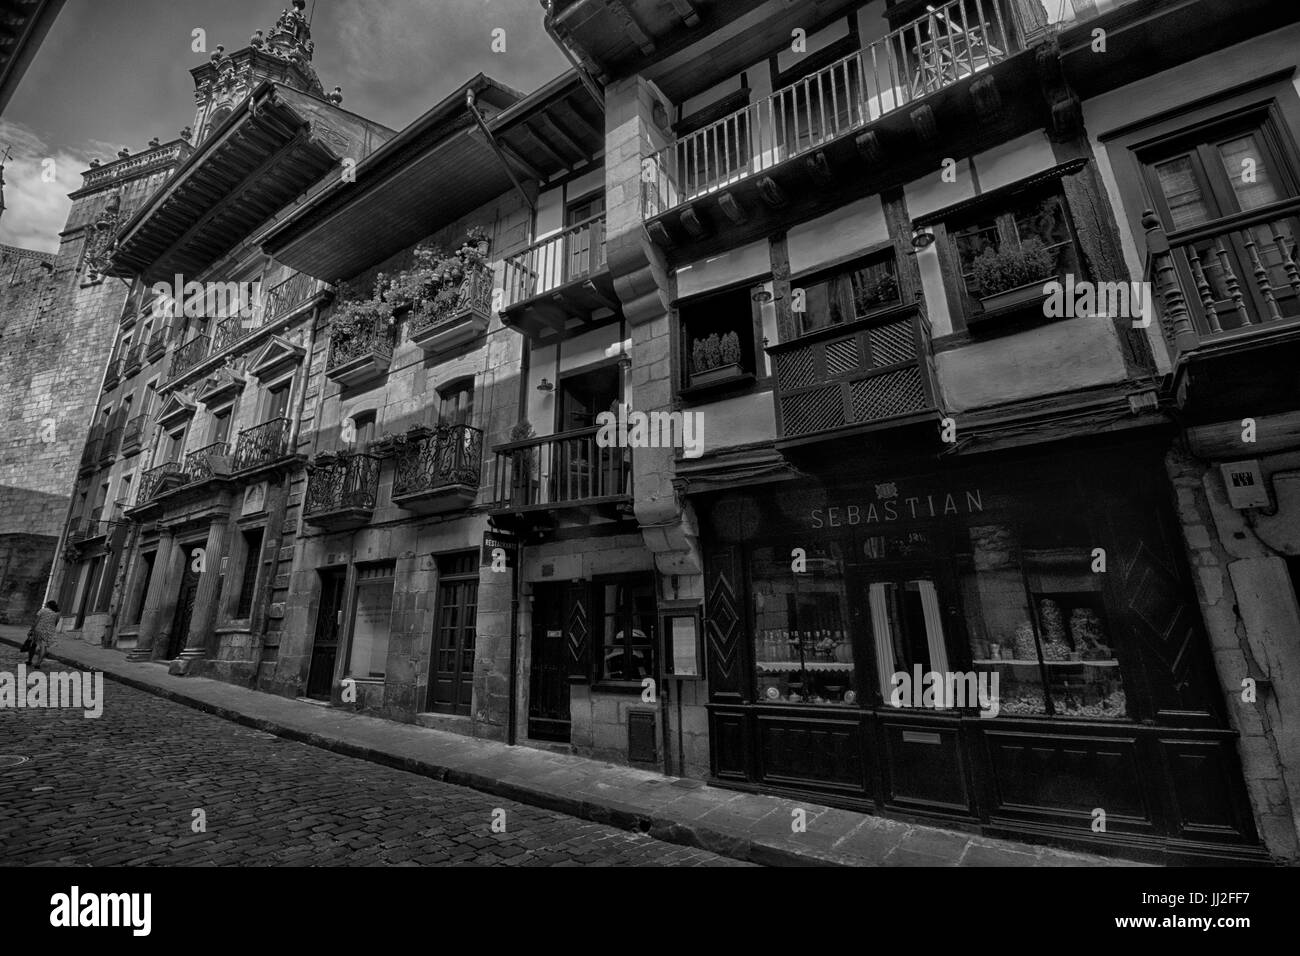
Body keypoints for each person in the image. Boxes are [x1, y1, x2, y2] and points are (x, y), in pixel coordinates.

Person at [26, 600, 59, 669]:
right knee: (43, 647)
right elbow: (56, 623)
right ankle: (38, 663)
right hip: (49, 631)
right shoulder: (56, 613)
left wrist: (32, 629)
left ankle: (29, 660)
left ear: (48, 605)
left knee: (33, 645)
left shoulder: (42, 610)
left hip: (39, 630)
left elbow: (36, 621)